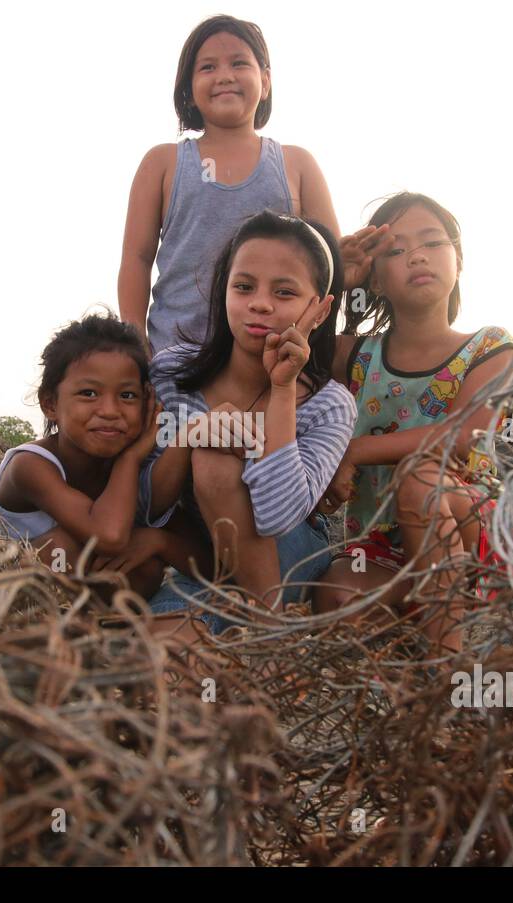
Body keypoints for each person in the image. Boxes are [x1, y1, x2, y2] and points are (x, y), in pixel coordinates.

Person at [317, 193, 513, 651]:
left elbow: (464, 436)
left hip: (468, 531)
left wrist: (355, 451)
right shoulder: (355, 356)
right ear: (377, 280)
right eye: (395, 250)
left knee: (420, 479)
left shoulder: (490, 347)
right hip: (385, 549)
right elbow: (291, 340)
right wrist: (338, 278)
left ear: (458, 259)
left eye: (432, 242)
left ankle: (447, 665)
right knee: (337, 595)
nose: (418, 256)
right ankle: (428, 612)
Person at [145, 211, 355, 635]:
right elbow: (149, 507)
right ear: (225, 290)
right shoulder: (171, 373)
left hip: (285, 560)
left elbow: (279, 515)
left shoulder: (331, 404)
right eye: (244, 287)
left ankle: (271, 633)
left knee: (218, 453)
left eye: (284, 291)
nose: (260, 303)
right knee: (169, 659)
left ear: (320, 308)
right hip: (201, 560)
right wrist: (187, 438)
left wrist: (282, 389)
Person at [118, 13, 340, 356]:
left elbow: (330, 260)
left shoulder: (297, 164)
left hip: (271, 362)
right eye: (207, 68)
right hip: (178, 359)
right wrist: (136, 350)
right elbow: (137, 258)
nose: (224, 76)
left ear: (265, 81)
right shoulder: (162, 163)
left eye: (239, 63)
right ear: (188, 89)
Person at [0, 312, 207, 598]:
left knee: (146, 565)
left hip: (95, 612)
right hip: (11, 598)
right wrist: (130, 460)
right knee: (62, 545)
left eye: (127, 396)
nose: (109, 411)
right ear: (50, 403)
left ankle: (100, 628)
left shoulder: (133, 472)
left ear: (148, 405)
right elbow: (109, 537)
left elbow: (211, 567)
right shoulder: (30, 465)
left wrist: (160, 542)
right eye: (89, 393)